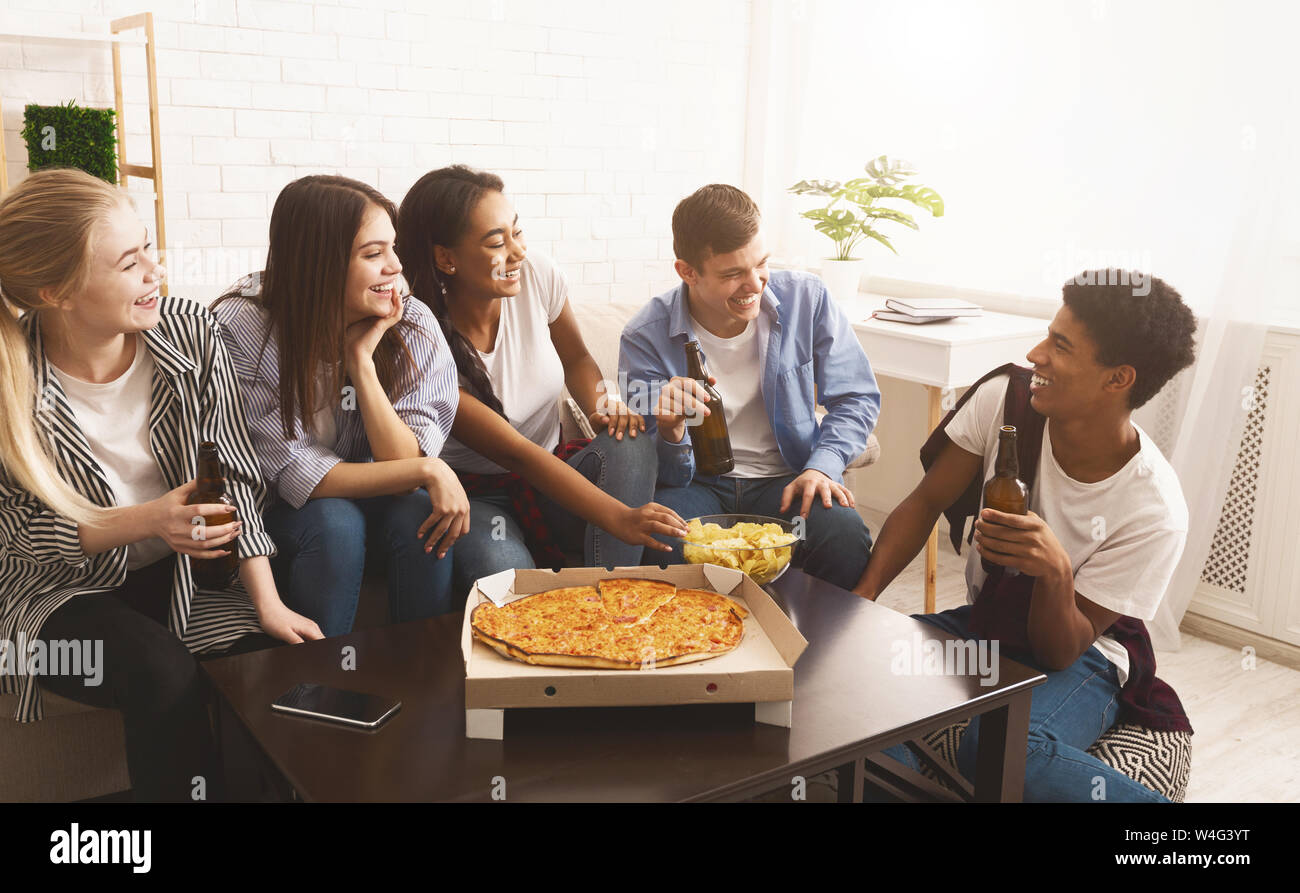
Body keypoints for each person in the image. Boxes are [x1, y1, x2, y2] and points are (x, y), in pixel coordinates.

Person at [0, 168, 321, 802]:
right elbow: (18, 534)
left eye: (150, 247)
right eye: (129, 263)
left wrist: (266, 600)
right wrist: (147, 519)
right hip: (52, 594)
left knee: (264, 669)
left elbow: (232, 470)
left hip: (173, 579)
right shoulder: (13, 379)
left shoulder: (190, 332)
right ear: (55, 292)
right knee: (160, 671)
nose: (157, 272)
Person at [855, 271, 1197, 802]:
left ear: (1117, 379)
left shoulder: (1154, 509)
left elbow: (1061, 651)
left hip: (1089, 655)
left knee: (1005, 745)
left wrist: (1056, 572)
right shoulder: (1006, 402)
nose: (1036, 354)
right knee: (852, 687)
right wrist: (861, 603)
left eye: (1060, 346)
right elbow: (925, 503)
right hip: (984, 626)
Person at [213, 175, 469, 638]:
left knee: (418, 512)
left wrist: (361, 362)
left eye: (392, 248)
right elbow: (298, 475)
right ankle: (315, 686)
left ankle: (425, 681)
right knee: (336, 522)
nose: (394, 266)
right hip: (280, 517)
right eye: (373, 254)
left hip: (374, 501)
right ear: (318, 263)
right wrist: (431, 471)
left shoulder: (408, 320)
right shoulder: (241, 329)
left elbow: (402, 462)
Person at [398, 165, 676, 589]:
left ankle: (613, 605)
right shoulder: (419, 338)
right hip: (476, 498)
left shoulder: (535, 276)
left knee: (632, 442)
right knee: (509, 579)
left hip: (556, 480)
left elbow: (578, 357)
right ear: (445, 258)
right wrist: (621, 518)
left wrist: (603, 406)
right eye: (496, 241)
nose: (517, 252)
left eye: (517, 232)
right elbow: (516, 455)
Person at [619, 184, 879, 591]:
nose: (755, 284)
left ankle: (812, 646)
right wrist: (669, 431)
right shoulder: (644, 337)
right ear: (688, 272)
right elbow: (659, 468)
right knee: (662, 541)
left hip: (788, 480)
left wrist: (822, 464)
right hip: (696, 487)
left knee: (843, 537)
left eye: (761, 264)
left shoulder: (807, 300)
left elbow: (856, 397)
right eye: (732, 274)